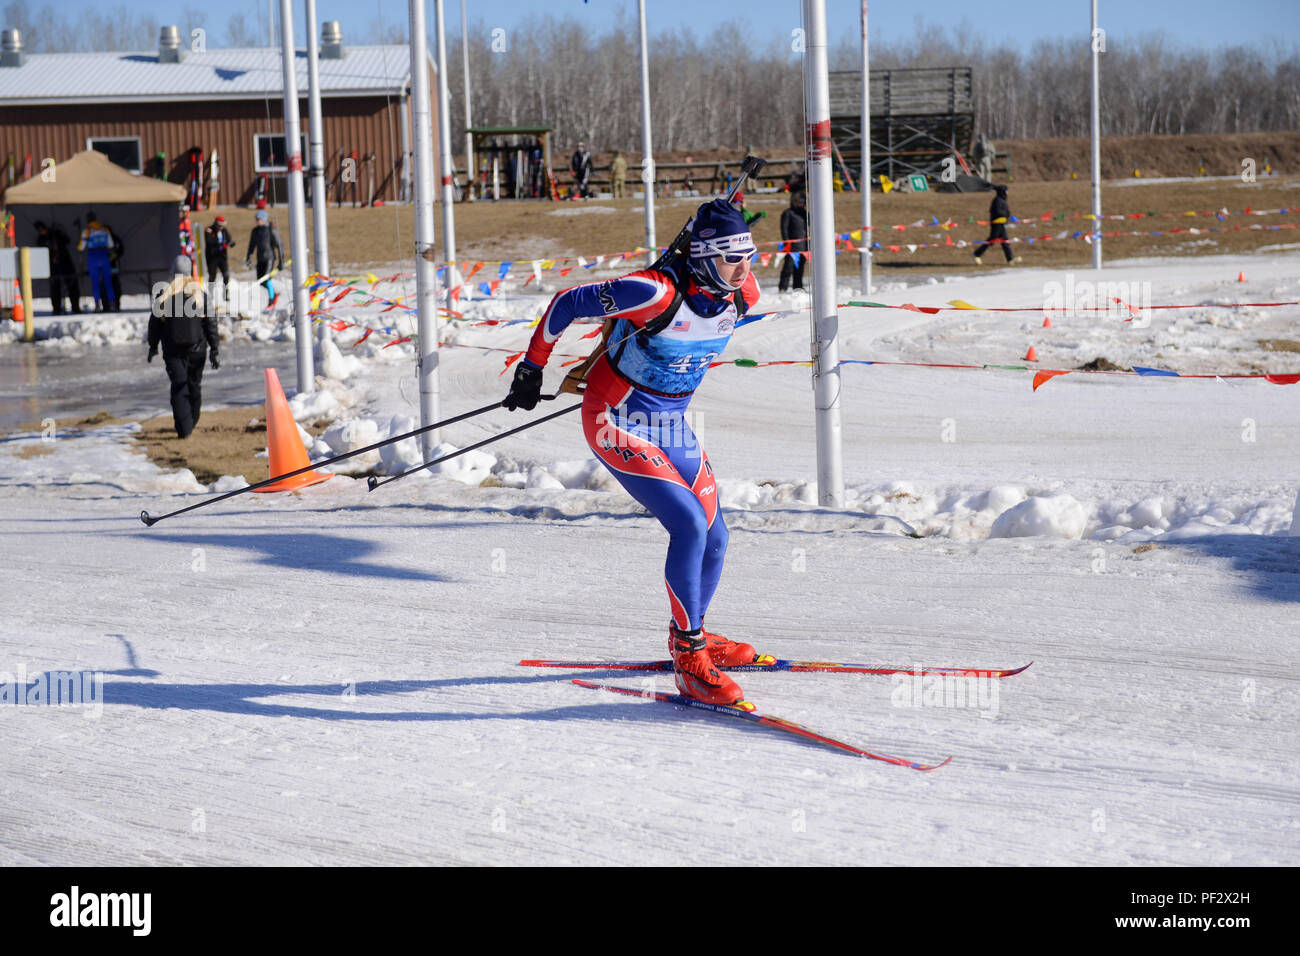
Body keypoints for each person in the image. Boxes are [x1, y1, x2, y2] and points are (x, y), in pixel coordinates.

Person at [502, 199, 762, 706]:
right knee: (687, 525)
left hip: (669, 423)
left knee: (715, 537)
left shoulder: (741, 292)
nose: (746, 269)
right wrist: (532, 368)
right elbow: (566, 303)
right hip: (615, 418)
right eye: (734, 258)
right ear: (705, 257)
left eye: (750, 256)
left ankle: (697, 635)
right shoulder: (653, 291)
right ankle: (688, 660)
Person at [148, 248, 219, 439]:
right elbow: (211, 323)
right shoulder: (200, 295)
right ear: (190, 272)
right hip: (198, 350)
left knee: (178, 386)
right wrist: (215, 349)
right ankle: (191, 421)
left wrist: (152, 346)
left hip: (172, 351)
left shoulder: (163, 295)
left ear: (172, 271)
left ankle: (184, 427)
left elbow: (154, 324)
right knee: (194, 385)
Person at [35, 220, 80, 315]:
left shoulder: (56, 234)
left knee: (72, 284)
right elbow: (40, 247)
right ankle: (56, 308)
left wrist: (57, 236)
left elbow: (67, 240)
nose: (42, 231)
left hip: (66, 262)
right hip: (53, 265)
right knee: (55, 287)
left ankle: (75, 307)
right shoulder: (42, 239)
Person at [77, 210, 116, 312]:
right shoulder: (105, 229)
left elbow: (81, 247)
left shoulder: (87, 231)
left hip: (93, 257)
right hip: (104, 255)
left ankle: (97, 305)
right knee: (108, 282)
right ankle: (112, 304)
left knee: (95, 283)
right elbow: (111, 245)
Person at [245, 209, 283, 309]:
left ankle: (271, 301)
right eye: (256, 219)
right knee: (260, 281)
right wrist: (248, 257)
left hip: (269, 258)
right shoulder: (255, 231)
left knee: (266, 278)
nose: (257, 221)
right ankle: (274, 293)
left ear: (264, 219)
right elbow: (251, 245)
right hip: (260, 258)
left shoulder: (271, 229)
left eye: (259, 219)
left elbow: (279, 245)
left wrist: (281, 260)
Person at [973, 185, 1020, 265]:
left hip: (1001, 223)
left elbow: (1005, 211)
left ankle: (1010, 259)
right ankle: (977, 254)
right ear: (1003, 192)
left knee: (1005, 241)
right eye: (1006, 191)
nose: (1007, 192)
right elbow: (998, 212)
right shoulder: (997, 201)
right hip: (996, 224)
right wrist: (1005, 214)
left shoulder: (1002, 200)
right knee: (992, 240)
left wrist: (1008, 215)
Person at [778, 190, 808, 292]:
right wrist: (787, 243)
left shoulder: (805, 214)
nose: (801, 203)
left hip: (804, 246)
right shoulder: (788, 213)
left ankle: (798, 288)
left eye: (803, 201)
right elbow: (784, 229)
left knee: (799, 269)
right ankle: (782, 288)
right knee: (788, 268)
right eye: (799, 201)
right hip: (792, 246)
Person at [204, 215, 233, 296]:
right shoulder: (209, 230)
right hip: (212, 257)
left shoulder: (224, 230)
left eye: (222, 226)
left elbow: (229, 239)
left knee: (226, 274)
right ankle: (211, 294)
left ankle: (226, 293)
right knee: (212, 276)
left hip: (222, 257)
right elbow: (210, 242)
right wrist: (220, 245)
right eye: (220, 226)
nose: (221, 227)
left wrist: (229, 243)